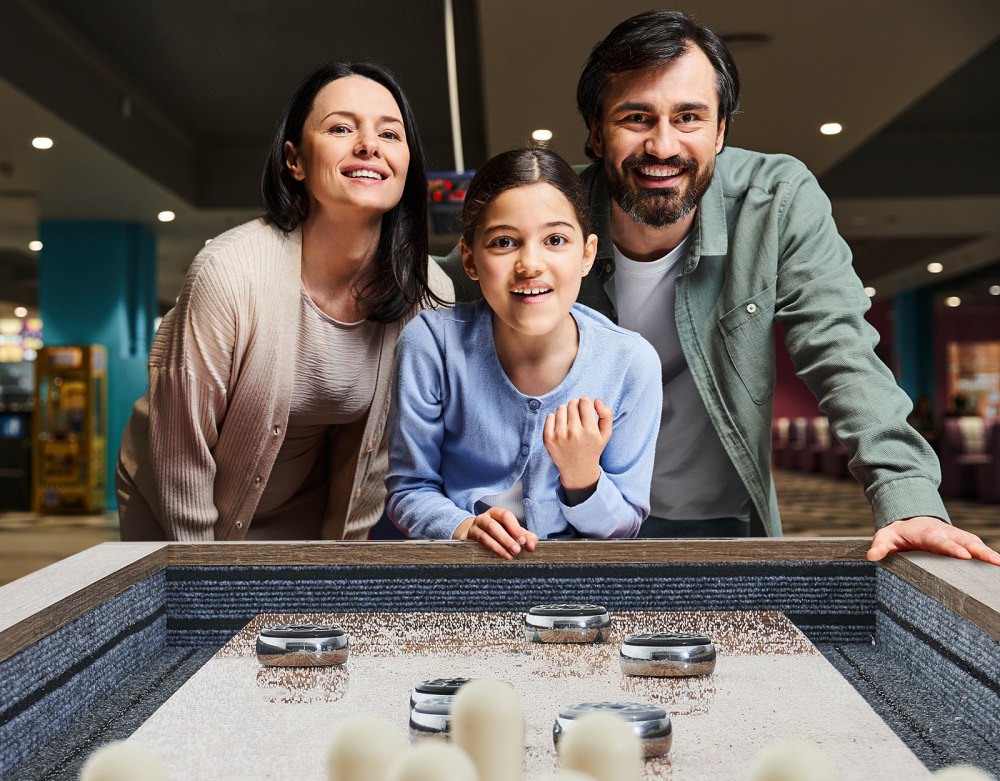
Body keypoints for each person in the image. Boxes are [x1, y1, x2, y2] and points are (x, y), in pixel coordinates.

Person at [441, 11, 999, 566]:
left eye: (688, 117)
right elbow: (437, 285)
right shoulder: (550, 215)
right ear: (595, 129)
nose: (662, 146)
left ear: (721, 130)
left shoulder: (776, 200)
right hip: (563, 526)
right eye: (636, 117)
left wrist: (908, 499)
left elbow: (842, 351)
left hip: (720, 523)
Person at [116, 62, 452, 541]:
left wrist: (343, 565)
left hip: (302, 510)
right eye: (340, 128)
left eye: (390, 134)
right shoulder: (230, 272)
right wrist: (208, 581)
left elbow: (377, 462)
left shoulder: (428, 293)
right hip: (172, 505)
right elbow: (179, 453)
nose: (369, 146)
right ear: (294, 160)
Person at [386, 147, 662, 560]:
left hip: (578, 591)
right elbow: (409, 490)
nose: (530, 264)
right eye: (503, 242)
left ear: (586, 254)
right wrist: (460, 527)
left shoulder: (630, 363)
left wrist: (582, 474)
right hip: (463, 580)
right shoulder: (431, 346)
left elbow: (624, 526)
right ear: (470, 259)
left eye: (555, 240)